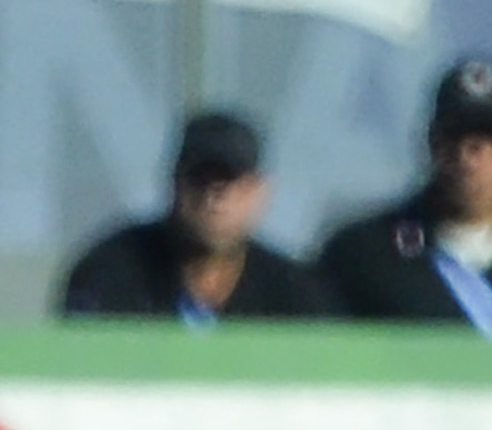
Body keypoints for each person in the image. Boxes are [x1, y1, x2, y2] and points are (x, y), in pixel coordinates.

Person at [313, 60, 492, 331]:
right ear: (431, 142)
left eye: (490, 138)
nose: (469, 156)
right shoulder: (364, 256)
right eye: (455, 136)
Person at [56, 112, 328, 323]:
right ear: (174, 182)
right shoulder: (114, 271)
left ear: (258, 191)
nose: (213, 198)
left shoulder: (292, 293)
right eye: (200, 179)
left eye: (228, 182)